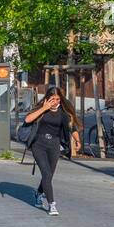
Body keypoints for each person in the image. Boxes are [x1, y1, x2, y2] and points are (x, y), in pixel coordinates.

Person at [23, 86, 73, 216]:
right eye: (52, 99)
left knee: (48, 175)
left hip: (54, 145)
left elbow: (70, 130)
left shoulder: (63, 114)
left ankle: (39, 193)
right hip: (38, 144)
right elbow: (27, 119)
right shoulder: (41, 110)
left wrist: (76, 141)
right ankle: (52, 204)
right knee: (46, 172)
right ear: (46, 99)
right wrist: (44, 108)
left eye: (57, 99)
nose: (55, 101)